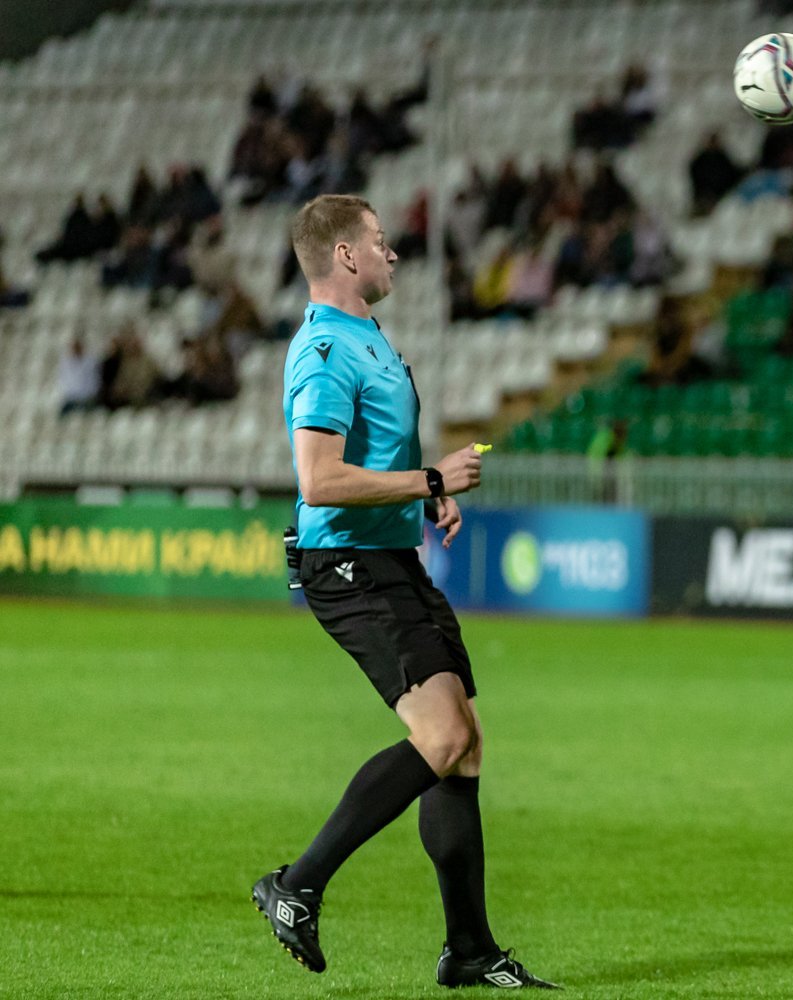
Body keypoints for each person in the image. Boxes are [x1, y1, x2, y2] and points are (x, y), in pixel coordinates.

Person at [255, 194, 557, 989]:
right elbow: (318, 480)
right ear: (346, 256)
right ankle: (297, 884)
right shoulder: (322, 349)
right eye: (381, 243)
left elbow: (370, 453)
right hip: (349, 567)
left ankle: (468, 950)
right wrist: (427, 475)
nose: (393, 255)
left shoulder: (369, 338)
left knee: (463, 749)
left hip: (393, 559)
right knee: (445, 739)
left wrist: (422, 496)